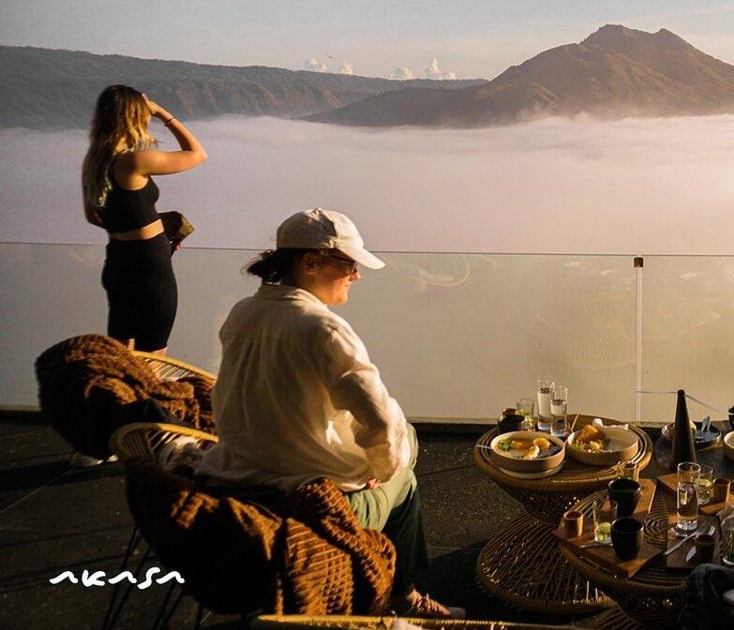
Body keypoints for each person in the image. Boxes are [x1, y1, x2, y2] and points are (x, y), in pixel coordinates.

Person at [194, 208, 461, 618]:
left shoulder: (243, 312)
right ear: (311, 262)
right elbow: (381, 421)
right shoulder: (323, 329)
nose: (356, 275)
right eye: (349, 264)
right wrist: (381, 469)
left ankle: (386, 585)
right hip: (297, 497)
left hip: (238, 480)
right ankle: (404, 599)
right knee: (403, 467)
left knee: (394, 440)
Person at [81, 85, 207, 354]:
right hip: (149, 266)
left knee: (121, 351)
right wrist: (163, 113)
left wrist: (142, 225)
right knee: (153, 356)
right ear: (134, 116)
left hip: (117, 261)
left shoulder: (95, 161)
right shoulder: (134, 161)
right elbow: (197, 154)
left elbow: (93, 216)